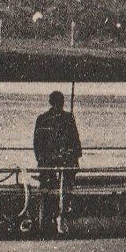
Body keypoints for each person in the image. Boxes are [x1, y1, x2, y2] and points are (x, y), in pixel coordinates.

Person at [32, 91, 83, 226]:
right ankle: (59, 216)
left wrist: (42, 159)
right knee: (62, 191)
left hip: (51, 163)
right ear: (62, 102)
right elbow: (76, 143)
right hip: (59, 163)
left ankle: (49, 217)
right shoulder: (67, 118)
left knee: (49, 191)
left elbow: (37, 144)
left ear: (50, 102)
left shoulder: (43, 118)